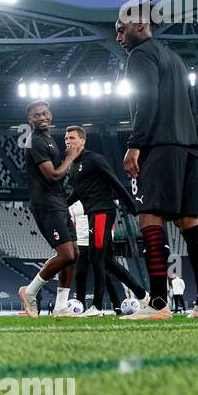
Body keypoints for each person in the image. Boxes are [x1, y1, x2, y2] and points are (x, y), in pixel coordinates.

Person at [116, 2, 198, 320]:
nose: (118, 37)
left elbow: (147, 99)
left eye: (121, 29)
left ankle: (158, 304)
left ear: (140, 26)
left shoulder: (140, 54)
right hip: (188, 148)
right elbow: (191, 104)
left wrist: (135, 145)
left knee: (149, 220)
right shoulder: (175, 59)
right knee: (190, 223)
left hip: (159, 146)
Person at [63, 125, 147, 314]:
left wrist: (134, 210)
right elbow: (78, 191)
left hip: (103, 211)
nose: (68, 141)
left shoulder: (94, 159)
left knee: (96, 256)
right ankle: (143, 296)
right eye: (66, 139)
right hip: (92, 213)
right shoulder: (73, 165)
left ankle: (98, 306)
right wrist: (62, 205)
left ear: (82, 141)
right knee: (108, 261)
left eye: (72, 138)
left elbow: (115, 182)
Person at [17, 100, 82, 318]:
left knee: (74, 255)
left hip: (59, 203)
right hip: (46, 204)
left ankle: (61, 307)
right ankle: (30, 292)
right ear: (30, 120)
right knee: (65, 254)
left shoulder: (49, 139)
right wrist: (70, 158)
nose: (42, 118)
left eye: (45, 113)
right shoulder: (33, 140)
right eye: (37, 115)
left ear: (51, 115)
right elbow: (52, 175)